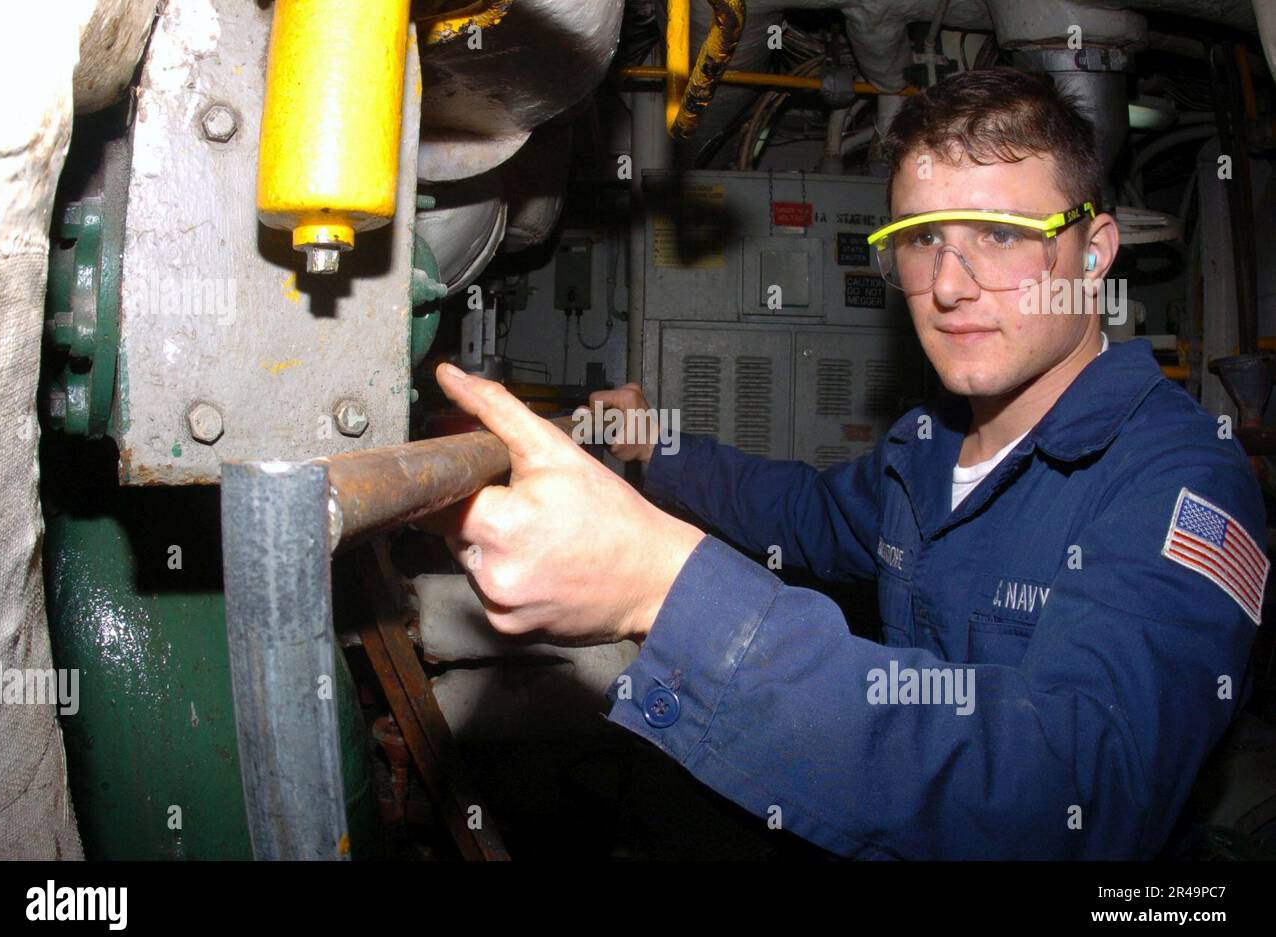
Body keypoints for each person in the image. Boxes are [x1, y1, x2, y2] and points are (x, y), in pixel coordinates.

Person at [423, 68, 1268, 858]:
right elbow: (805, 514)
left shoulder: (1182, 480)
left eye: (1002, 235)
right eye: (922, 237)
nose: (948, 284)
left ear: (1094, 252)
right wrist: (656, 445)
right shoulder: (929, 447)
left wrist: (664, 589)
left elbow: (1084, 790)